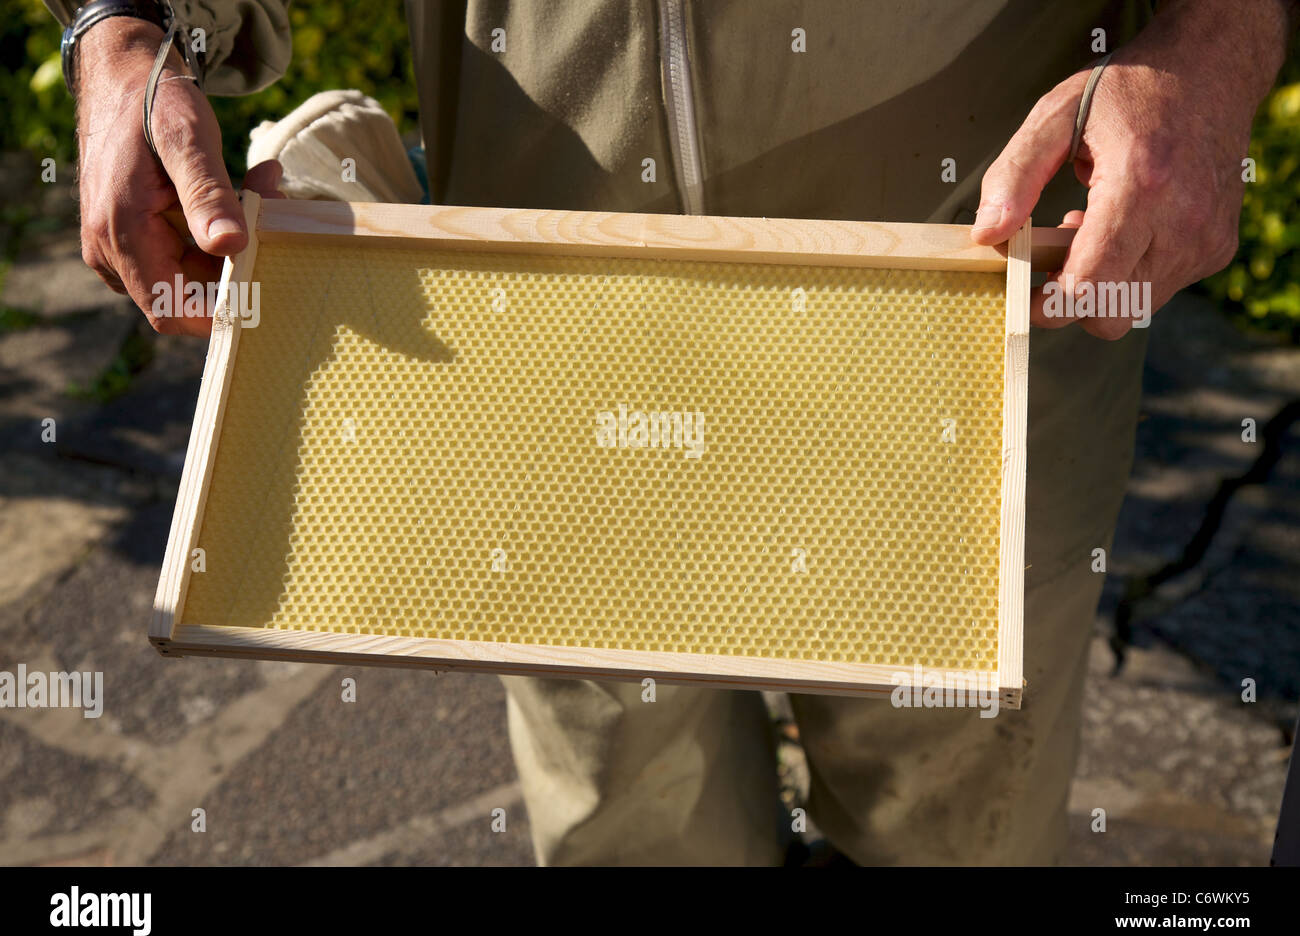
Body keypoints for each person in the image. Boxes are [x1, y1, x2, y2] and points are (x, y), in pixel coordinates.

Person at [52, 0, 1293, 864]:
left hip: (959, 333)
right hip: (538, 343)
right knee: (626, 820)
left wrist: (1220, 43)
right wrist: (122, 26)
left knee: (955, 817)